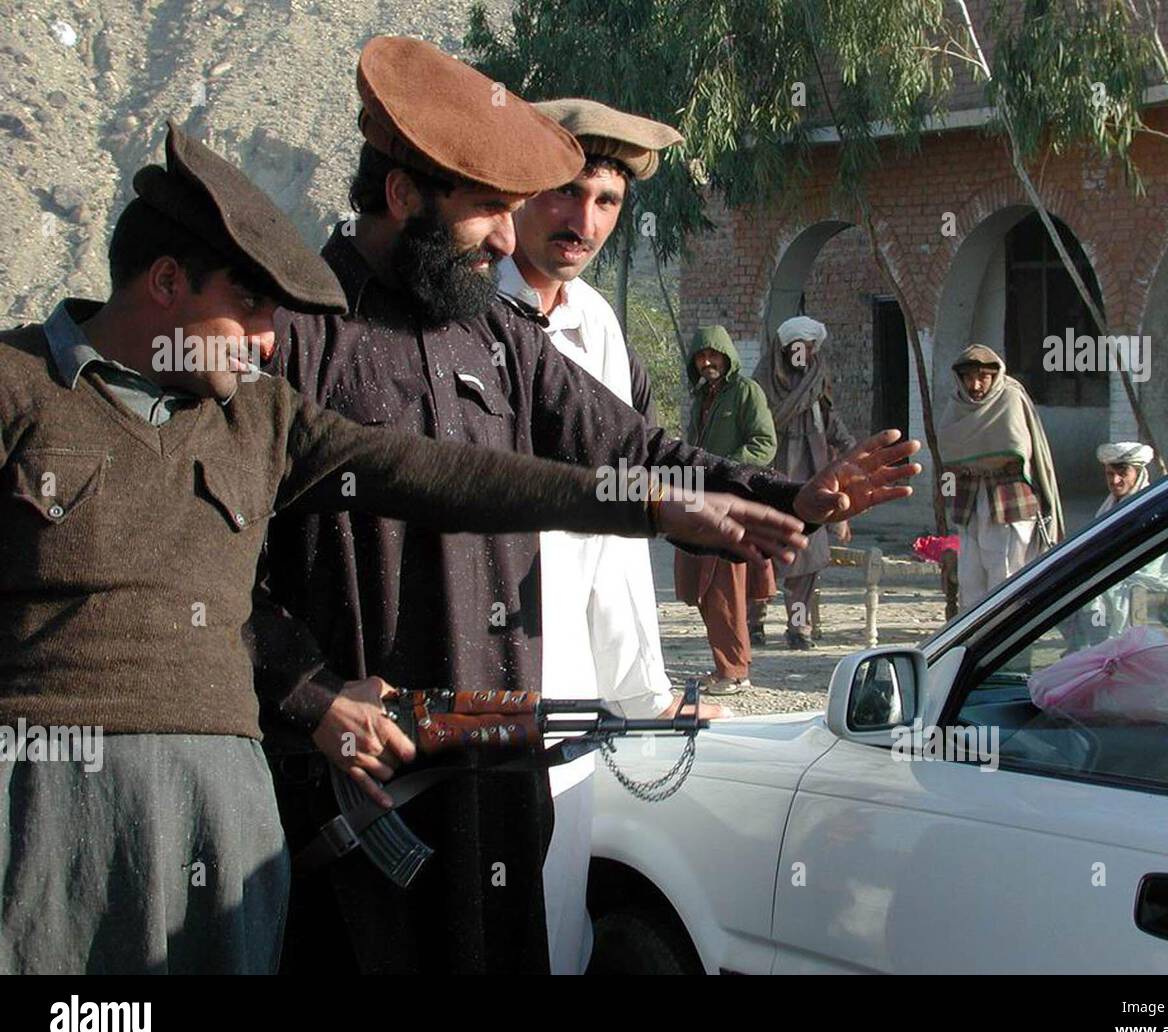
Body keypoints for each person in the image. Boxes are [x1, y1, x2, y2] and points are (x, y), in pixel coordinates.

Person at [0, 123, 785, 974]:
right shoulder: (25, 389)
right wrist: (312, 694)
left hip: (228, 809)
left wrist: (658, 506)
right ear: (164, 283)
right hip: (51, 800)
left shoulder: (268, 412)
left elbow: (454, 477)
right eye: (251, 307)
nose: (268, 339)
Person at [253, 36, 924, 974]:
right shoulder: (294, 333)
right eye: (487, 208)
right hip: (360, 780)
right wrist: (314, 696)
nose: (502, 237)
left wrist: (791, 496)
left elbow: (636, 449)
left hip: (495, 760)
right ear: (403, 195)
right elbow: (212, 565)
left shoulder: (494, 333)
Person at [498, 97, 718, 973]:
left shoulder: (598, 326)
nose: (580, 221)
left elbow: (621, 533)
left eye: (606, 202)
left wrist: (640, 690)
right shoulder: (464, 315)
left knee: (554, 910)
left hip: (569, 688)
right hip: (471, 669)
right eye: (562, 191)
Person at [674, 326, 780, 694]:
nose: (707, 362)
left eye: (713, 355)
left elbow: (764, 443)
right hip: (704, 503)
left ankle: (734, 672)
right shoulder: (703, 398)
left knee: (725, 589)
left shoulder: (746, 391)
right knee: (705, 588)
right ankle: (724, 667)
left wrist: (726, 469)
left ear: (726, 356)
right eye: (701, 357)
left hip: (733, 504)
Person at [750, 316, 856, 649]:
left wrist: (855, 455)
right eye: (798, 348)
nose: (804, 354)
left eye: (809, 348)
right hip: (770, 479)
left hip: (812, 479)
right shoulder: (760, 385)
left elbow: (832, 423)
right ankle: (755, 624)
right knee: (761, 556)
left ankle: (798, 628)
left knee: (806, 563)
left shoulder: (817, 382)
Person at [937, 344, 1063, 609]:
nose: (975, 384)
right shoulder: (957, 404)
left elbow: (1014, 449)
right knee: (970, 577)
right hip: (970, 500)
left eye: (983, 377)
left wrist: (981, 459)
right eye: (969, 377)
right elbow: (949, 452)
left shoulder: (1010, 398)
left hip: (1009, 501)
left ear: (994, 376)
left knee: (1005, 575)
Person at [1083, 441, 1168, 639]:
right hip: (1120, 569)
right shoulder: (1110, 506)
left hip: (1161, 571)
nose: (1115, 481)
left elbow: (1153, 557)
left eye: (1122, 473)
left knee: (1110, 587)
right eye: (1109, 474)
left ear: (1138, 473)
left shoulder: (1151, 505)